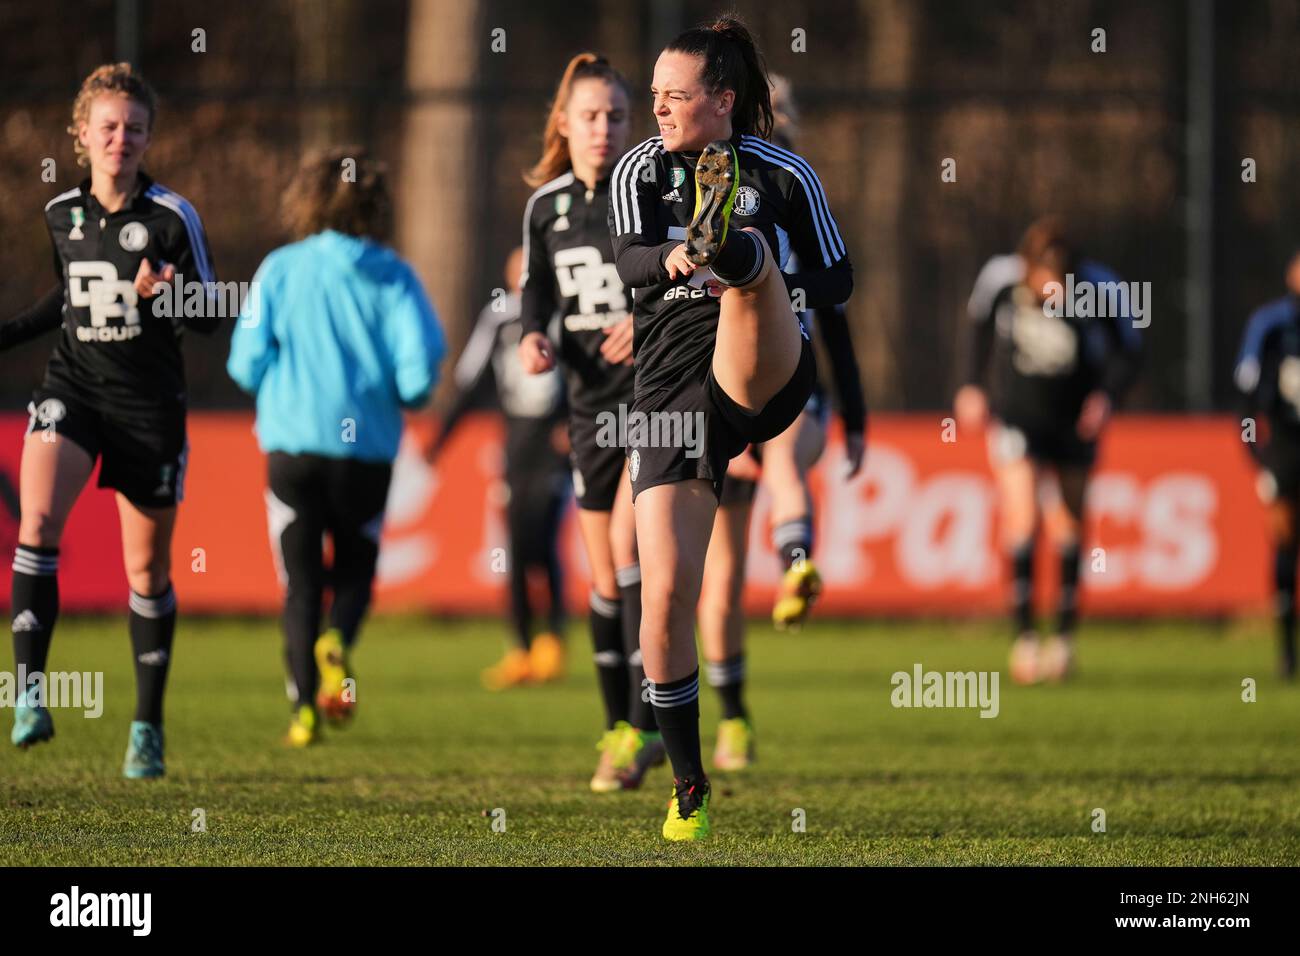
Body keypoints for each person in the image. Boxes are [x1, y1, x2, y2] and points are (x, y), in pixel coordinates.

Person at [610, 16, 852, 840]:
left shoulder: (786, 172)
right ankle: (688, 785)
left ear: (722, 99)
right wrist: (675, 260)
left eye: (674, 96)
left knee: (751, 270)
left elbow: (839, 275)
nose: (658, 110)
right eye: (653, 96)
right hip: (672, 385)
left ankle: (738, 253)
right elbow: (628, 261)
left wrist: (740, 263)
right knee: (667, 598)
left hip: (764, 367)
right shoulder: (639, 171)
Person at [1, 63, 219, 777]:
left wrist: (171, 292)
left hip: (149, 409)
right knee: (36, 525)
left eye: (134, 128)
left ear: (148, 136)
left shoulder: (171, 218)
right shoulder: (61, 213)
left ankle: (147, 725)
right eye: (108, 127)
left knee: (146, 572)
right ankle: (30, 693)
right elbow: (62, 305)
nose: (120, 139)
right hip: (73, 392)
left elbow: (215, 317)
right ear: (82, 134)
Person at [227, 146, 445, 746]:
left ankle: (303, 712)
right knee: (352, 575)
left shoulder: (280, 267)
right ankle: (337, 648)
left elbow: (244, 364)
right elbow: (419, 376)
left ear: (308, 198)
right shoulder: (394, 274)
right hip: (366, 451)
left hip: (293, 446)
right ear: (375, 205)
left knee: (300, 585)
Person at [698, 74, 866, 773]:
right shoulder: (794, 189)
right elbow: (835, 316)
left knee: (723, 576)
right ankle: (797, 562)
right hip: (780, 389)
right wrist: (856, 418)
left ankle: (732, 724)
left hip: (723, 391)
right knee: (788, 469)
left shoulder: (732, 187)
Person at [517, 53, 667, 794]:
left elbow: (694, 279)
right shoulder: (545, 207)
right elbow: (533, 293)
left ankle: (647, 726)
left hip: (656, 397)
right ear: (564, 124)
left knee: (629, 555)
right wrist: (530, 337)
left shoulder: (653, 193)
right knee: (604, 580)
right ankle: (621, 727)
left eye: (616, 116)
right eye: (590, 115)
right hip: (587, 405)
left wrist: (649, 323)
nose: (604, 128)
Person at [955, 217, 1141, 685]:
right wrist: (971, 386)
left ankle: (1063, 638)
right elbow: (975, 330)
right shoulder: (1001, 279)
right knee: (1024, 518)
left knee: (1070, 525)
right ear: (1028, 271)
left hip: (1075, 420)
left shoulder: (1101, 287)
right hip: (1018, 416)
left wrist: (1106, 399)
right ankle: (1024, 639)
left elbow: (1131, 351)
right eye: (1045, 284)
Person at [426, 248, 570, 690]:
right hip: (516, 449)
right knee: (515, 546)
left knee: (543, 539)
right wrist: (439, 439)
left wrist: (575, 425)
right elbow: (473, 381)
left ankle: (552, 641)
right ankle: (520, 648)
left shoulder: (566, 311)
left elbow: (593, 376)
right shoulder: (501, 316)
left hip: (557, 447)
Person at [1234, 250, 1300, 679]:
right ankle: (1286, 652)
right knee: (1284, 541)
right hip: (1288, 447)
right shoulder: (1271, 325)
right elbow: (1245, 399)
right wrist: (1258, 458)